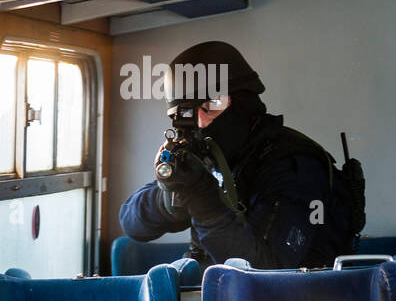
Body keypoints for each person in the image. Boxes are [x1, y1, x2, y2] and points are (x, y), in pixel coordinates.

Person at [120, 41, 358, 268]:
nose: (201, 123)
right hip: (218, 295)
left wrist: (206, 204)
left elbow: (265, 268)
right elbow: (131, 223)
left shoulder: (294, 164)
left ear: (244, 100)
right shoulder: (207, 157)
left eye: (211, 105)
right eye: (190, 113)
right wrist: (169, 197)